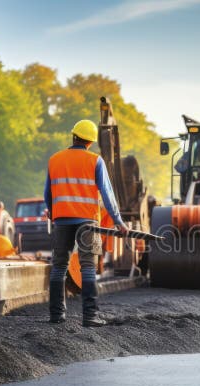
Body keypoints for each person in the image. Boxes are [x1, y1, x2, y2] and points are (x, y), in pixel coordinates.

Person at [44, 119, 129, 326]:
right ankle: (89, 317)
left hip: (62, 219)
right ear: (90, 142)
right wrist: (118, 221)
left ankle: (56, 315)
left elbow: (48, 193)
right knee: (88, 267)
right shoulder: (95, 161)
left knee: (59, 266)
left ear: (73, 136)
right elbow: (107, 195)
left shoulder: (54, 160)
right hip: (87, 221)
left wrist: (54, 212)